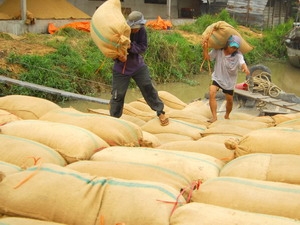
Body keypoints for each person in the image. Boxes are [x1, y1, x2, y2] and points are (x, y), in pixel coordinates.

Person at [109, 11, 169, 126]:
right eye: (134, 28)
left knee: (148, 87)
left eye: (137, 27)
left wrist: (131, 46)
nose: (135, 30)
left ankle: (160, 112)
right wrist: (118, 57)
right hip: (121, 68)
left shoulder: (142, 31)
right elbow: (111, 48)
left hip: (137, 65)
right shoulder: (120, 31)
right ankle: (114, 120)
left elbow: (143, 47)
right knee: (118, 94)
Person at [203, 35, 250, 123]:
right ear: (227, 44)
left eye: (235, 48)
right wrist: (205, 48)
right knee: (212, 92)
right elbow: (207, 58)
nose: (233, 49)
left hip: (229, 82)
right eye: (231, 46)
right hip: (217, 77)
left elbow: (242, 63)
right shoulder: (218, 51)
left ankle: (227, 115)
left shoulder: (238, 55)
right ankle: (214, 117)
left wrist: (245, 68)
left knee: (229, 101)